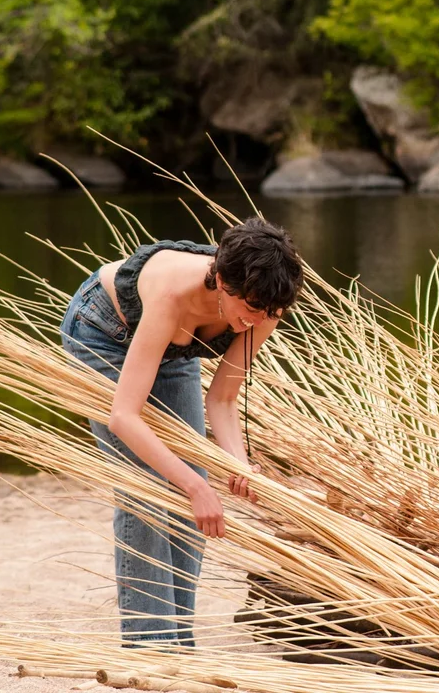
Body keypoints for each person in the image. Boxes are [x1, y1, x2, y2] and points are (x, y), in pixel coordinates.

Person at [57, 218, 302, 647]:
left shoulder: (264, 303)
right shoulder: (172, 294)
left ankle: (178, 641)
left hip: (175, 348)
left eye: (269, 313)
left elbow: (222, 399)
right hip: (104, 333)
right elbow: (125, 418)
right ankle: (151, 647)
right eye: (251, 308)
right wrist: (192, 486)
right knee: (149, 492)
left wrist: (238, 466)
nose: (257, 321)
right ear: (222, 282)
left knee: (196, 493)